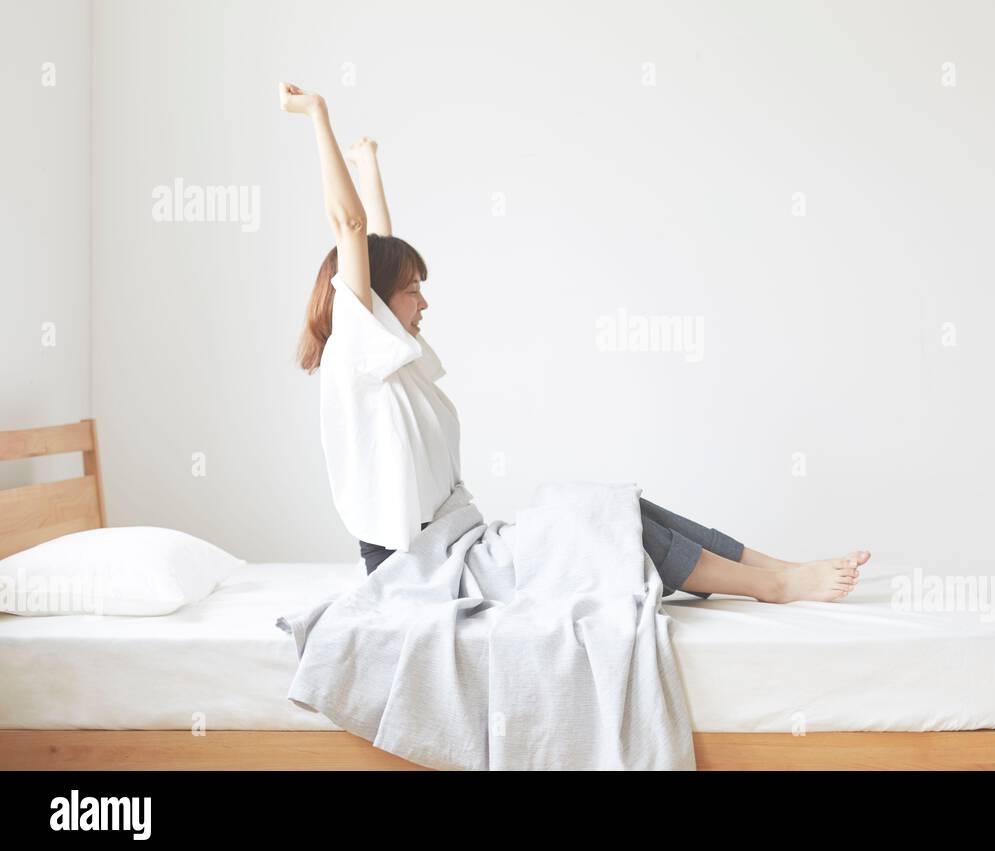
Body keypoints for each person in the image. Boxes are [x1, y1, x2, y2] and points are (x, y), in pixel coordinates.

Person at [280, 81, 868, 602]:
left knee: (620, 507)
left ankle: (779, 571)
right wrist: (318, 116)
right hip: (420, 573)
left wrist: (370, 166)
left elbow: (377, 240)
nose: (424, 303)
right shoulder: (355, 358)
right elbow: (353, 231)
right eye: (412, 292)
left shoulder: (386, 358)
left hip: (462, 547)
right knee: (597, 524)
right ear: (378, 302)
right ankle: (775, 588)